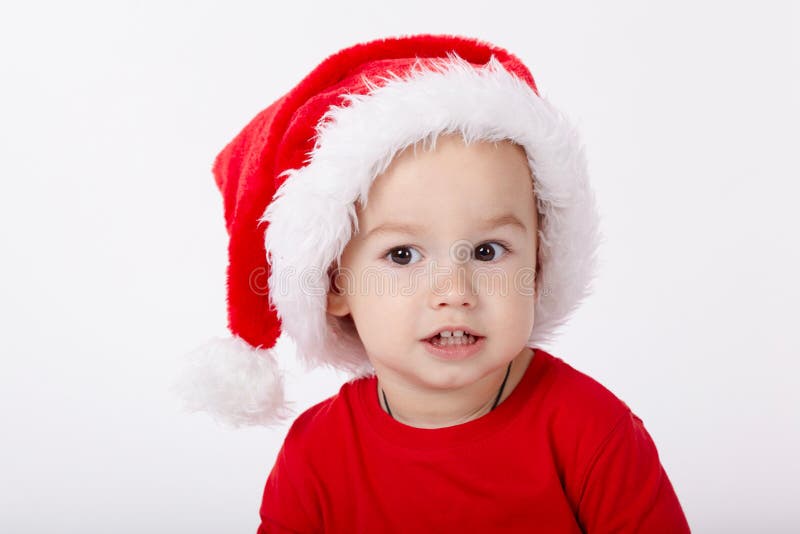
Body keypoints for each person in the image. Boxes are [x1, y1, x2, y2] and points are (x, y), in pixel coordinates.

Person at [177, 34, 691, 532]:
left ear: (539, 265)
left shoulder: (592, 434)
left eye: (488, 251)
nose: (454, 290)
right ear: (333, 284)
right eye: (403, 255)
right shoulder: (317, 455)